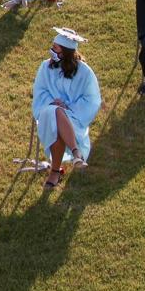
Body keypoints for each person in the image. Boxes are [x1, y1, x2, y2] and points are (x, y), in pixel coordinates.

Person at [32, 27, 101, 189]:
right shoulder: (45, 67)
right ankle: (76, 152)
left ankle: (55, 172)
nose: (52, 50)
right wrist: (53, 102)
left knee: (58, 117)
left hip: (74, 116)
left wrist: (68, 107)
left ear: (66, 52)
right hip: (47, 110)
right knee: (54, 112)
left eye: (55, 48)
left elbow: (92, 99)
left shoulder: (84, 72)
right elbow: (39, 91)